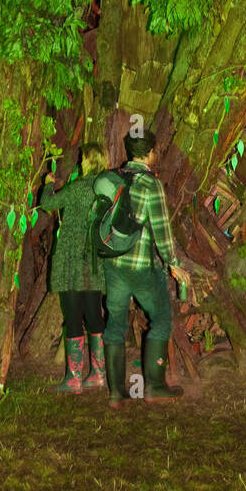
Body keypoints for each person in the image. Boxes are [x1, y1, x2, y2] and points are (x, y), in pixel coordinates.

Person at [102, 130, 191, 409]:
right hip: (140, 267)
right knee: (161, 318)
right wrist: (173, 265)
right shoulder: (150, 185)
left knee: (114, 326)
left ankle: (116, 392)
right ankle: (153, 386)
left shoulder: (114, 177)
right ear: (150, 153)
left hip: (113, 264)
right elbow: (162, 231)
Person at [37, 143, 109, 394]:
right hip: (95, 262)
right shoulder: (107, 192)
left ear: (87, 162)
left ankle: (74, 378)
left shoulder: (78, 188)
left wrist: (48, 182)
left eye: (82, 159)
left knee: (73, 317)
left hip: (71, 261)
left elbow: (47, 204)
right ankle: (99, 373)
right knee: (94, 315)